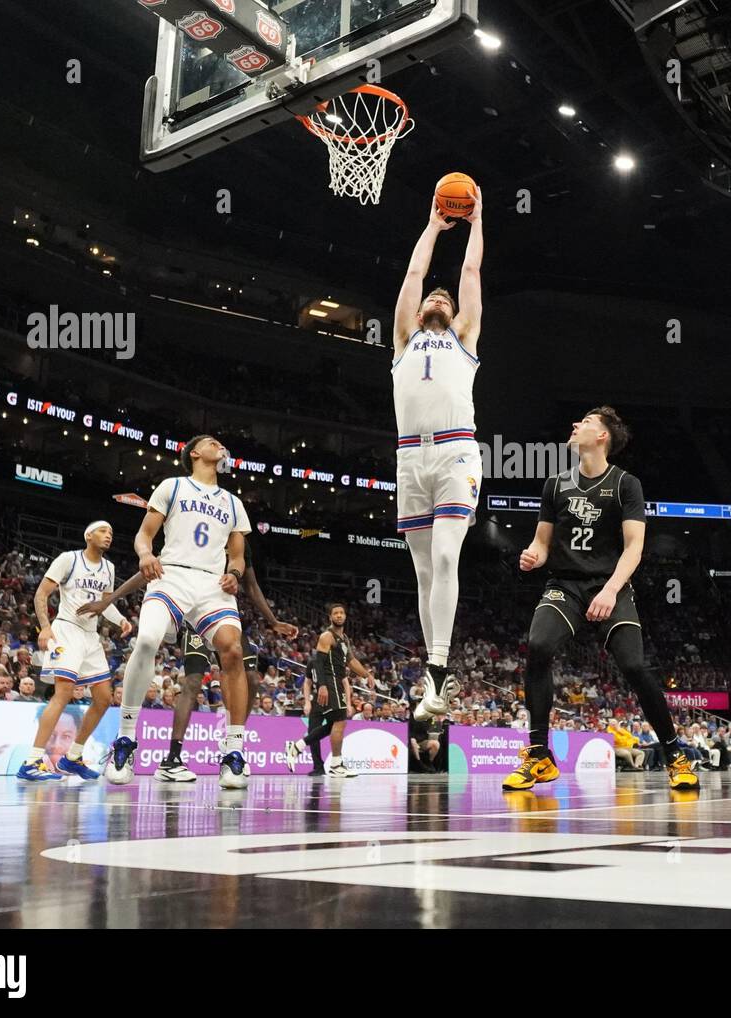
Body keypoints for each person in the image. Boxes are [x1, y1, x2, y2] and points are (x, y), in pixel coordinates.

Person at [505, 408, 697, 792]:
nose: (576, 425)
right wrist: (532, 555)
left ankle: (676, 754)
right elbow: (541, 543)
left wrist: (610, 589)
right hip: (566, 584)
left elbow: (634, 548)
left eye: (586, 423)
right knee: (539, 646)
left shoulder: (626, 484)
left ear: (603, 437)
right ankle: (539, 755)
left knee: (634, 666)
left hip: (612, 584)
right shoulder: (555, 484)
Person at [81, 527, 296, 783]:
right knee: (193, 681)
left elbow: (251, 583)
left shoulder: (238, 541)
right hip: (192, 615)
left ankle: (232, 744)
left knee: (250, 678)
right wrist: (110, 599)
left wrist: (272, 621)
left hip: (221, 611)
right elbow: (156, 571)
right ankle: (172, 758)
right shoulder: (189, 536)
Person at [103, 435, 253, 789]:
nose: (221, 445)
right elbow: (144, 535)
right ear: (195, 453)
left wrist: (233, 574)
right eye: (214, 442)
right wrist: (144, 555)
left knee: (233, 650)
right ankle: (125, 740)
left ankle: (233, 752)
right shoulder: (172, 487)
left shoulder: (233, 503)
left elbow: (238, 556)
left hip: (211, 585)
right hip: (172, 574)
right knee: (147, 641)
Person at [392, 185, 484, 724]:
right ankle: (434, 680)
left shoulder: (464, 338)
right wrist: (431, 225)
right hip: (409, 460)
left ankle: (439, 671)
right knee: (425, 574)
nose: (438, 300)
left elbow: (470, 276)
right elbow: (411, 278)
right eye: (434, 297)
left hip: (455, 455)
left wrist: (477, 222)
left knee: (447, 558)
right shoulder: (404, 337)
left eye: (444, 302)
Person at [19, 522, 132, 781]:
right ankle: (32, 761)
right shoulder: (68, 559)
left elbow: (105, 603)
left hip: (90, 637)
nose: (108, 536)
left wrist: (121, 620)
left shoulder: (109, 568)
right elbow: (41, 594)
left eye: (112, 533)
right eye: (104, 531)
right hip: (66, 631)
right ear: (88, 535)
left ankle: (73, 757)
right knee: (63, 693)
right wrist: (45, 628)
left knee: (104, 698)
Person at [284, 603, 372, 778]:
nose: (339, 615)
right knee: (339, 722)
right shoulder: (327, 636)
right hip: (329, 682)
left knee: (335, 723)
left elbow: (351, 661)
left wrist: (366, 675)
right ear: (330, 617)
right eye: (335, 613)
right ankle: (335, 765)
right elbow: (317, 662)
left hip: (337, 682)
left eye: (341, 613)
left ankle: (297, 747)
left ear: (345, 616)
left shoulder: (345, 639)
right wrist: (322, 686)